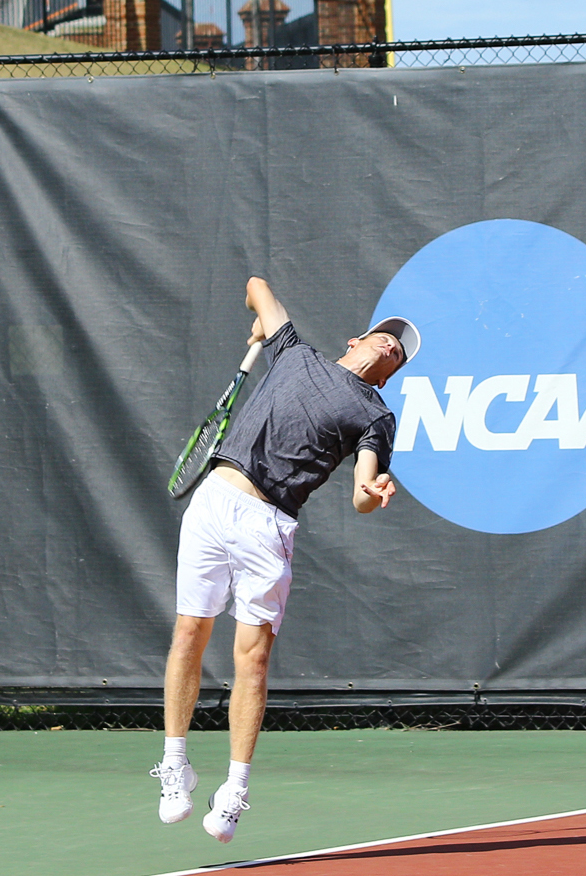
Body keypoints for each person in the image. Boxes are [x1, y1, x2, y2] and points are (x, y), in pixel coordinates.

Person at [149, 276, 420, 843]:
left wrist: (372, 494)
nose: (391, 345)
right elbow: (256, 284)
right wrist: (260, 316)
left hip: (270, 525)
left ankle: (235, 789)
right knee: (188, 633)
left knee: (252, 660)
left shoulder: (375, 416)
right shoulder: (294, 350)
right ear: (355, 340)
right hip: (215, 501)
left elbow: (360, 492)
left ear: (391, 373)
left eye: (398, 351)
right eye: (385, 336)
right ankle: (175, 765)